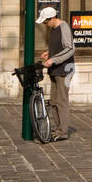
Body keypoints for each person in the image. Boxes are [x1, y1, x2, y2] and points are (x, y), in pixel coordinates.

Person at [38, 8, 74, 142]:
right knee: (54, 101)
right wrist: (49, 53)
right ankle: (58, 128)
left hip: (64, 70)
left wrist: (53, 59)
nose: (44, 25)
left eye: (45, 22)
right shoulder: (53, 29)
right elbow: (59, 47)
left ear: (52, 18)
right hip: (55, 69)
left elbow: (70, 48)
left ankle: (63, 132)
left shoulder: (64, 27)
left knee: (62, 101)